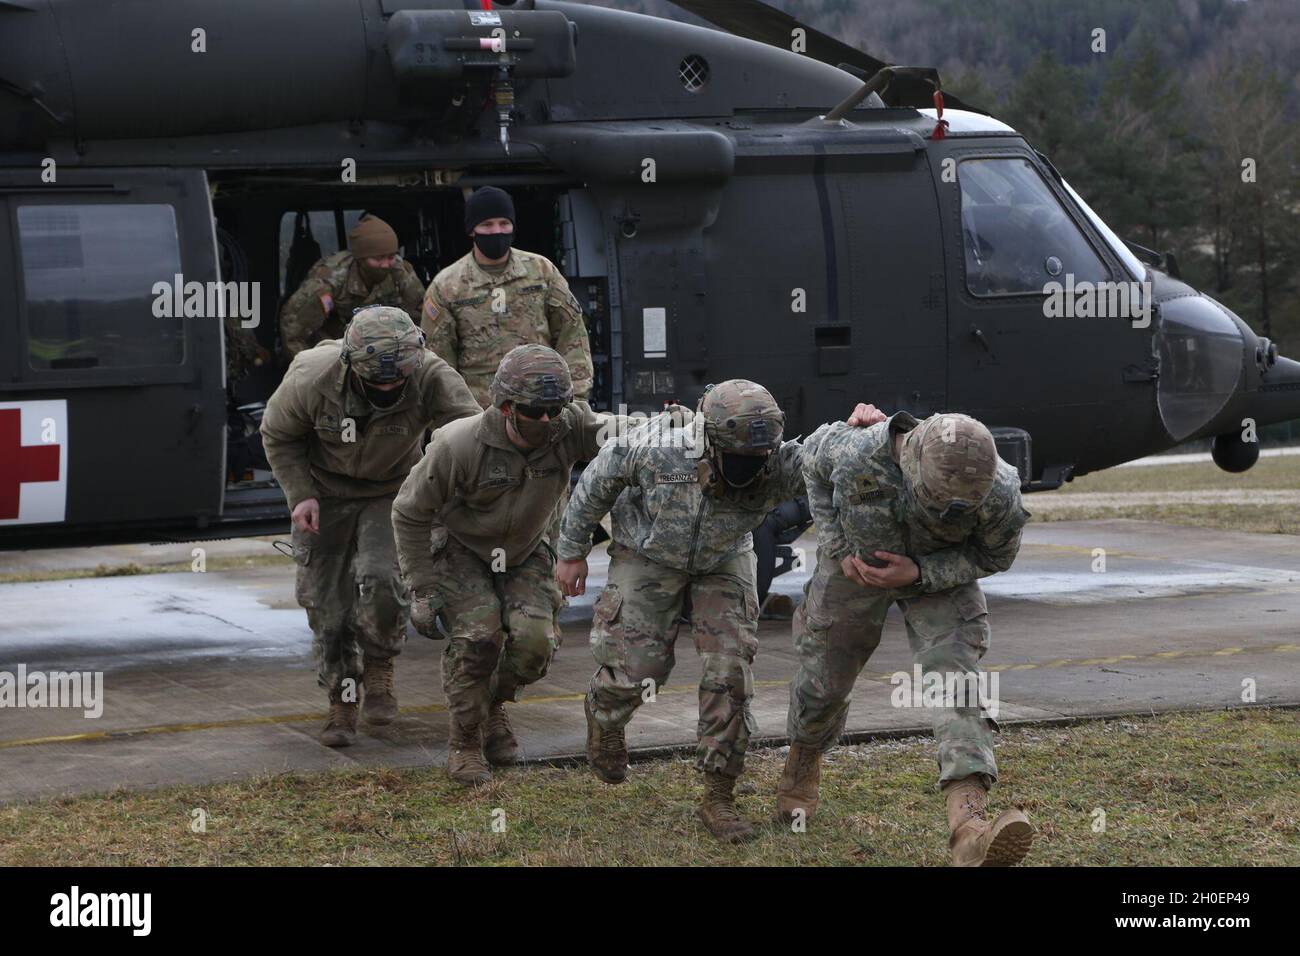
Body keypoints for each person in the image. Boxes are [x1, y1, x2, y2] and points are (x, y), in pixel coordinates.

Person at [555, 381, 884, 842]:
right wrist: (571, 552)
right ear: (707, 438)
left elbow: (824, 450)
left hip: (724, 556)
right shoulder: (658, 446)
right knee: (638, 669)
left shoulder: (776, 460)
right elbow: (596, 481)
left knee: (730, 671)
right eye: (738, 458)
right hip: (646, 552)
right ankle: (605, 716)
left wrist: (862, 431)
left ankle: (719, 794)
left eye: (758, 459)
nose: (750, 468)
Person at [781, 411, 1034, 866]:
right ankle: (804, 758)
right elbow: (811, 471)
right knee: (826, 677)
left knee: (955, 679)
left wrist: (922, 572)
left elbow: (997, 553)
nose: (943, 513)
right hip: (857, 566)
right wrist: (838, 549)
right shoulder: (855, 451)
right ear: (909, 465)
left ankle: (969, 825)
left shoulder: (1000, 489)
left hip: (937, 574)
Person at [392, 345, 629, 786]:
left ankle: (494, 704)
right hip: (462, 549)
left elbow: (628, 434)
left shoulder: (568, 427)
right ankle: (464, 739)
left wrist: (688, 427)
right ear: (505, 406)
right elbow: (408, 512)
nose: (546, 420)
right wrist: (421, 588)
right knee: (479, 636)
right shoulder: (457, 444)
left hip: (526, 549)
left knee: (534, 646)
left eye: (554, 410)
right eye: (535, 411)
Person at [260, 307, 480, 746]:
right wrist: (299, 492)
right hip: (324, 492)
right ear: (350, 365)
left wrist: (454, 503)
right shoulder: (311, 377)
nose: (388, 388)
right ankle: (342, 699)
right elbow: (278, 434)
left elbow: (469, 435)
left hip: (393, 491)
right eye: (376, 382)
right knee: (326, 603)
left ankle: (380, 665)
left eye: (396, 382)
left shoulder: (432, 375)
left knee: (381, 579)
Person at [421, 186, 593, 407]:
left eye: (504, 224)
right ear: (472, 230)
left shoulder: (541, 271)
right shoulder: (447, 285)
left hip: (541, 403)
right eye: (487, 225)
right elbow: (438, 358)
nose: (496, 231)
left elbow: (572, 335)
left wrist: (576, 400)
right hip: (478, 410)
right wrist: (451, 415)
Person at [279, 215, 426, 358]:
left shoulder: (399, 271)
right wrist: (314, 371)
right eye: (378, 258)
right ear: (360, 259)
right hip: (334, 349)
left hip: (382, 347)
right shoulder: (330, 279)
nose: (386, 264)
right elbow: (293, 331)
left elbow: (421, 316)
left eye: (391, 256)